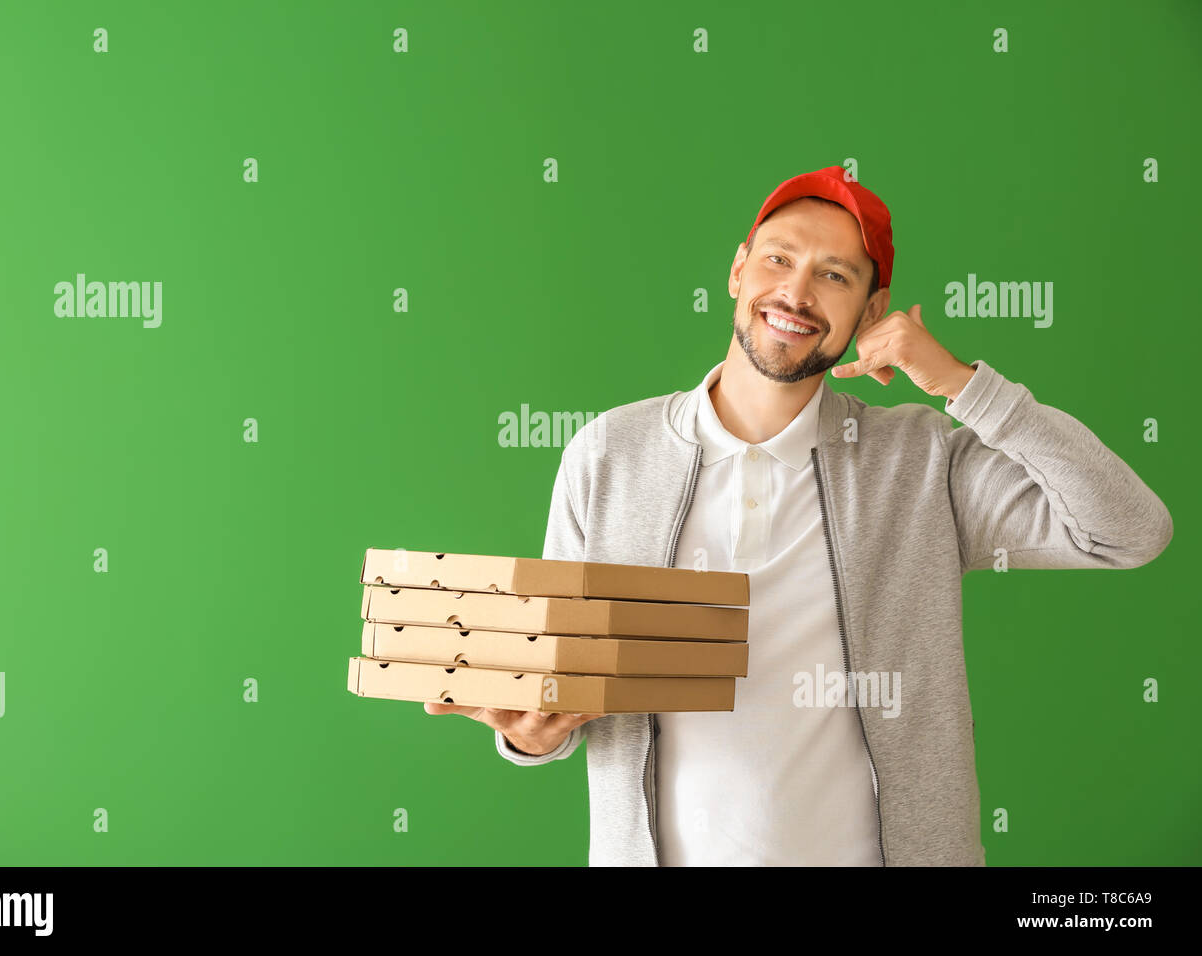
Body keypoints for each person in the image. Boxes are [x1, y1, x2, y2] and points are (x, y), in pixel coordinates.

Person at [424, 165, 1173, 866]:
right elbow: (561, 684)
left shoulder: (920, 463)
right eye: (778, 260)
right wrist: (530, 736)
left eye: (834, 275)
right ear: (738, 269)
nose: (796, 292)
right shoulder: (608, 453)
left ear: (872, 312)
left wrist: (962, 385)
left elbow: (1129, 530)